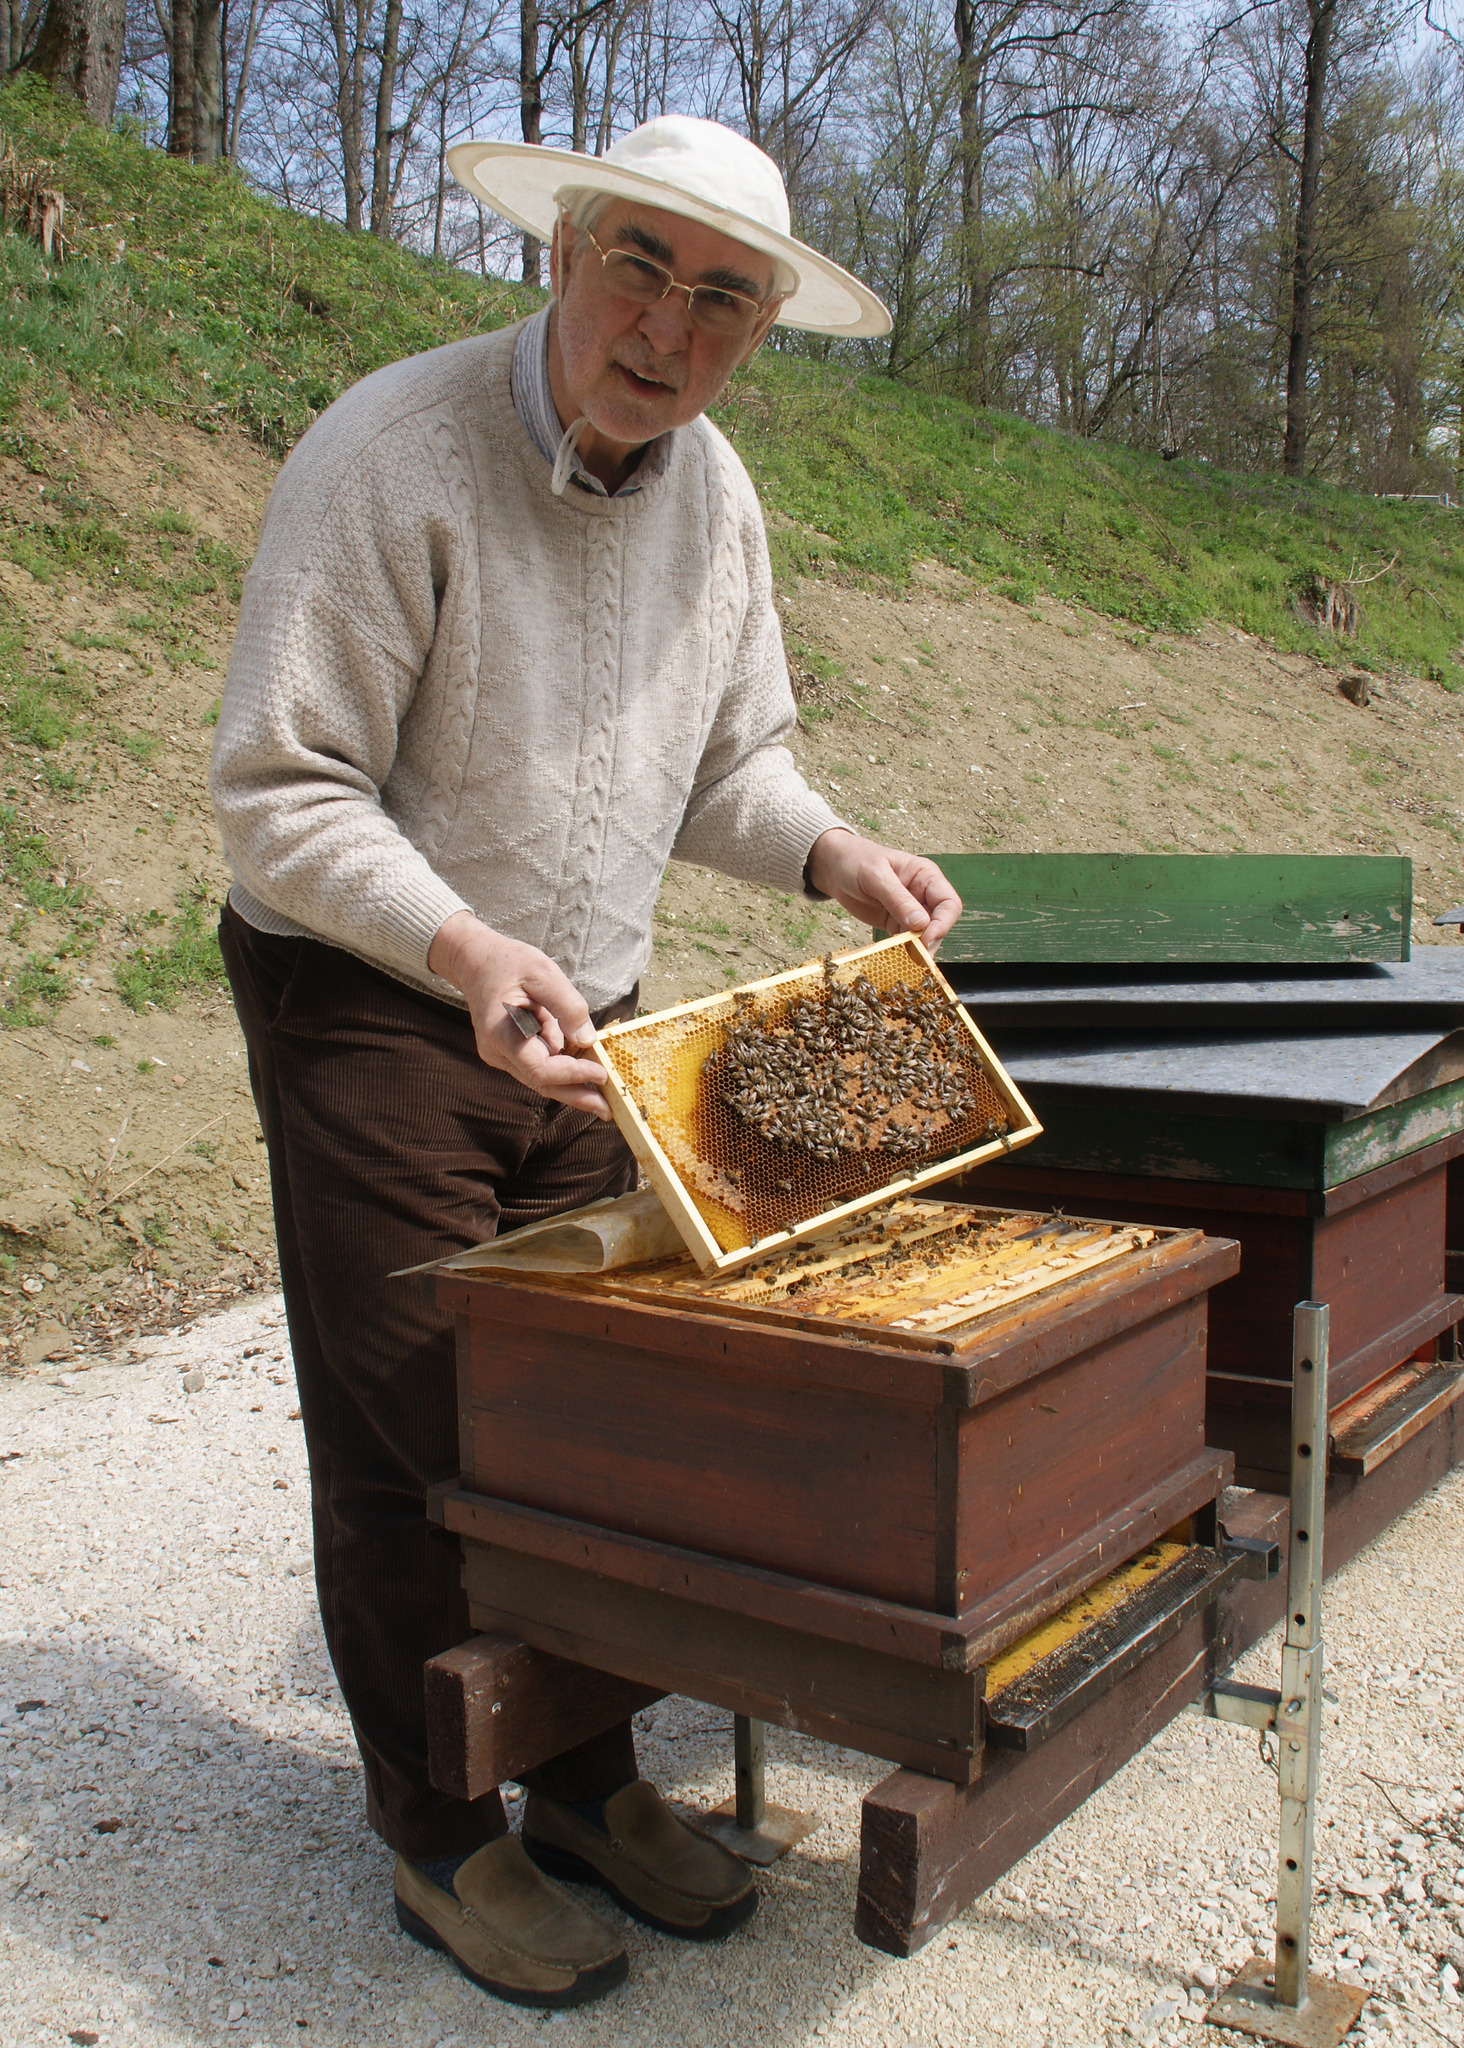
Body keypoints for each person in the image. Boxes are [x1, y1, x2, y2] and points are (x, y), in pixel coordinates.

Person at [210, 113, 962, 2012]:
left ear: (760, 332)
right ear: (561, 254)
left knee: (592, 1418)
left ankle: (580, 1782)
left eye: (722, 301)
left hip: (592, 1025)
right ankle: (436, 1830)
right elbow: (280, 791)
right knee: (415, 1422)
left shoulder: (719, 502)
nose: (667, 328)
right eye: (639, 267)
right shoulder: (392, 453)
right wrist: (462, 948)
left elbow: (730, 762)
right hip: (372, 999)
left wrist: (831, 851)